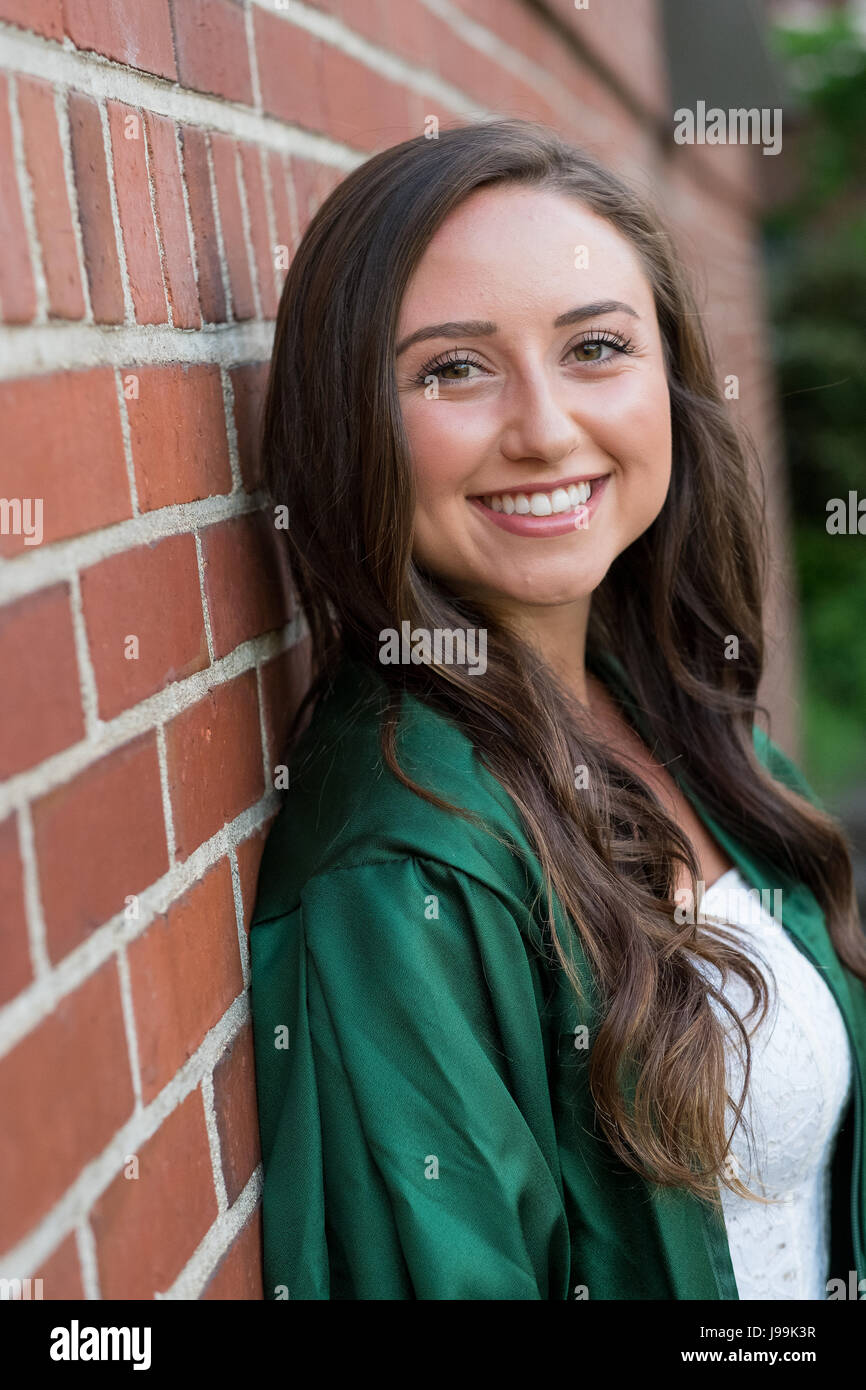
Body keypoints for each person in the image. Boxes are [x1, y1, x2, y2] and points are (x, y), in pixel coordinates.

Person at [249, 118, 866, 1300]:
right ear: (350, 425)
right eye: (453, 368)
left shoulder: (670, 708)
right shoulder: (403, 861)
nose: (542, 430)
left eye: (593, 348)